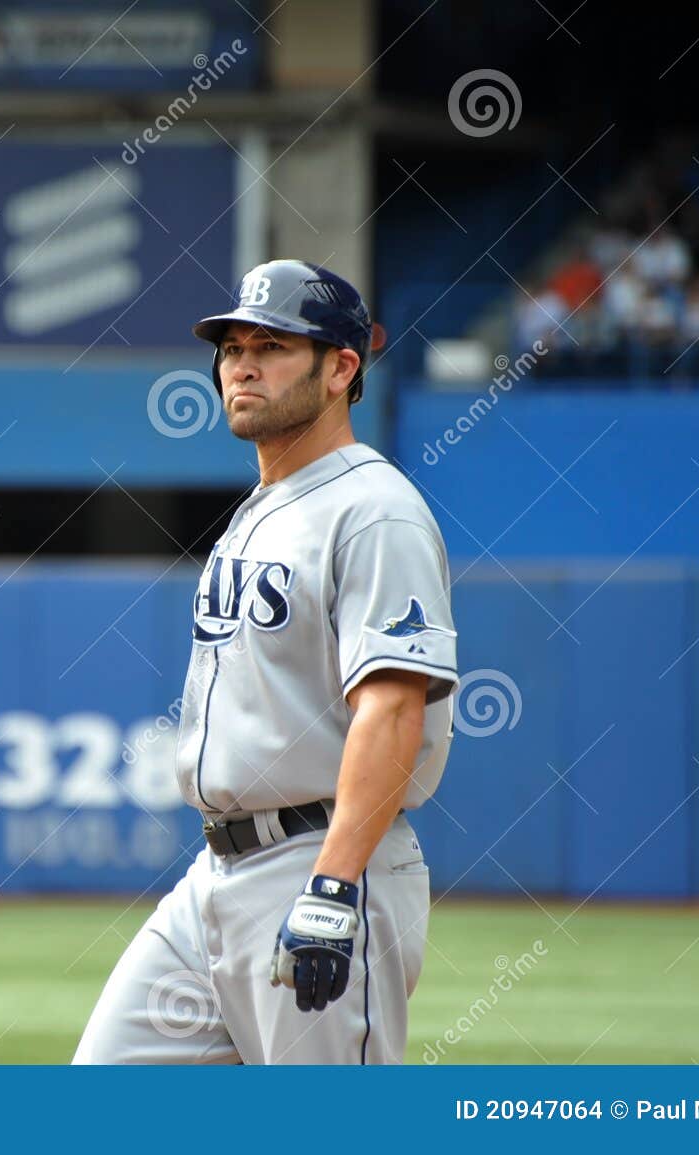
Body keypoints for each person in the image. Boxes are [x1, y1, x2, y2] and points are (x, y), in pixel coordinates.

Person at [75, 260, 457, 1065]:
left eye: (273, 346)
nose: (242, 365)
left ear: (340, 369)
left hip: (317, 864)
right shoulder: (265, 507)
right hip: (214, 878)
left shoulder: (374, 510)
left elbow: (393, 707)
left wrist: (333, 884)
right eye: (232, 347)